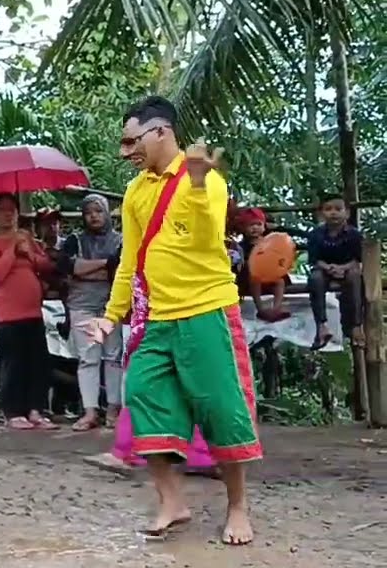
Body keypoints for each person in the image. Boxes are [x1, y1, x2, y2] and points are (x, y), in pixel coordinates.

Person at [84, 96, 261, 545]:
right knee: (141, 394)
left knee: (221, 408)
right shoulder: (136, 190)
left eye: (131, 141)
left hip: (206, 310)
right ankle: (171, 500)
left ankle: (238, 507)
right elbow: (131, 259)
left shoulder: (206, 179)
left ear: (160, 131)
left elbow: (207, 237)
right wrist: (111, 316)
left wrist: (199, 185)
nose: (126, 152)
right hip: (158, 316)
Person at [0, 193, 56, 431]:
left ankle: (36, 409)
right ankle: (13, 411)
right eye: (2, 209)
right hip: (8, 312)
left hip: (32, 310)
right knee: (13, 363)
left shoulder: (26, 237)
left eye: (11, 209)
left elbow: (44, 264)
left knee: (37, 361)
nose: (7, 214)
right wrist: (13, 247)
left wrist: (30, 251)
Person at [57, 194, 123, 431]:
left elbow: (120, 272)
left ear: (107, 213)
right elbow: (70, 267)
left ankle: (114, 410)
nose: (93, 216)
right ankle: (90, 412)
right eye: (88, 212)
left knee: (113, 357)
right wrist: (106, 264)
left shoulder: (121, 240)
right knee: (88, 359)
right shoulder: (74, 240)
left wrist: (86, 270)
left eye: (98, 211)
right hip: (82, 307)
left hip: (110, 307)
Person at [308, 193, 363, 350]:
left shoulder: (354, 234)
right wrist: (329, 268)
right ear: (321, 213)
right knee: (315, 278)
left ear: (347, 212)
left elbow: (358, 259)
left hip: (348, 269)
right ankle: (321, 327)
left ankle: (356, 326)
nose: (333, 212)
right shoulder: (316, 234)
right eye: (328, 209)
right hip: (325, 270)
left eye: (338, 209)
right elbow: (314, 260)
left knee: (355, 277)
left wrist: (342, 268)